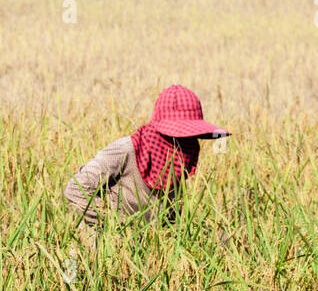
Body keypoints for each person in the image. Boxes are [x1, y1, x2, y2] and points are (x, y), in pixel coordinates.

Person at [65, 85, 230, 230]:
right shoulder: (125, 150)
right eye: (180, 137)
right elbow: (76, 188)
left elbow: (169, 219)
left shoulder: (179, 162)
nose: (188, 144)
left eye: (191, 137)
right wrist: (111, 226)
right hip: (100, 255)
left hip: (143, 257)